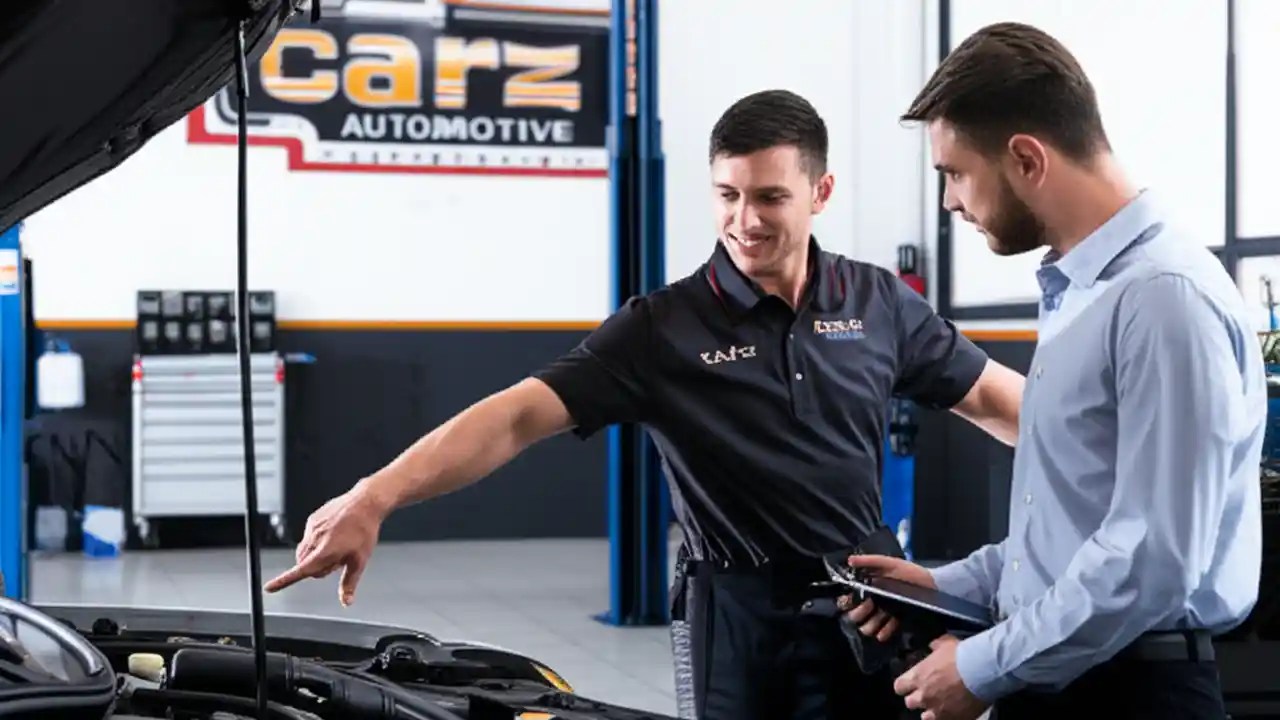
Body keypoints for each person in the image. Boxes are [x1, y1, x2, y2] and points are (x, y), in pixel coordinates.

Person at [263, 88, 1026, 719]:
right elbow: (516, 416)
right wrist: (376, 495)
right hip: (737, 616)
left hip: (869, 601)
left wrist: (1092, 457)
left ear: (820, 193)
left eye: (770, 197)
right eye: (728, 196)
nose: (745, 221)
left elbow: (998, 399)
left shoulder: (877, 302)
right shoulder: (663, 327)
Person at [840, 21, 1267, 720]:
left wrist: (982, 666)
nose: (949, 202)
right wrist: (942, 584)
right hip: (1072, 676)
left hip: (1133, 695)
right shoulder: (1084, 294)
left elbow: (1150, 558)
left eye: (954, 173)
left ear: (1026, 159)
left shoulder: (1162, 299)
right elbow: (1072, 532)